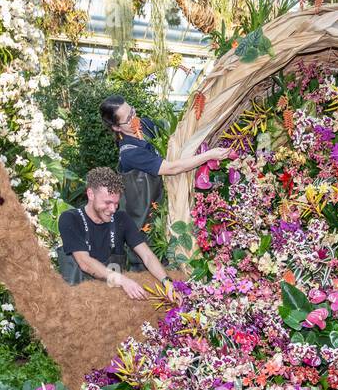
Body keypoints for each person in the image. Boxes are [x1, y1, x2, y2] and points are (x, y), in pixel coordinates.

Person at [100, 96, 232, 232]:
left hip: (169, 192)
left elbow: (172, 137)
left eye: (133, 111)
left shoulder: (144, 124)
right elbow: (172, 168)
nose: (134, 119)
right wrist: (209, 155)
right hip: (153, 214)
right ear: (116, 127)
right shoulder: (129, 154)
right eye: (128, 119)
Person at [56, 167, 170, 296]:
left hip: (112, 300)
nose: (113, 209)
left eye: (116, 203)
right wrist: (123, 280)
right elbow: (84, 262)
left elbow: (147, 256)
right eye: (108, 202)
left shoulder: (122, 219)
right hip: (80, 301)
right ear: (91, 194)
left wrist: (166, 281)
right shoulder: (70, 219)